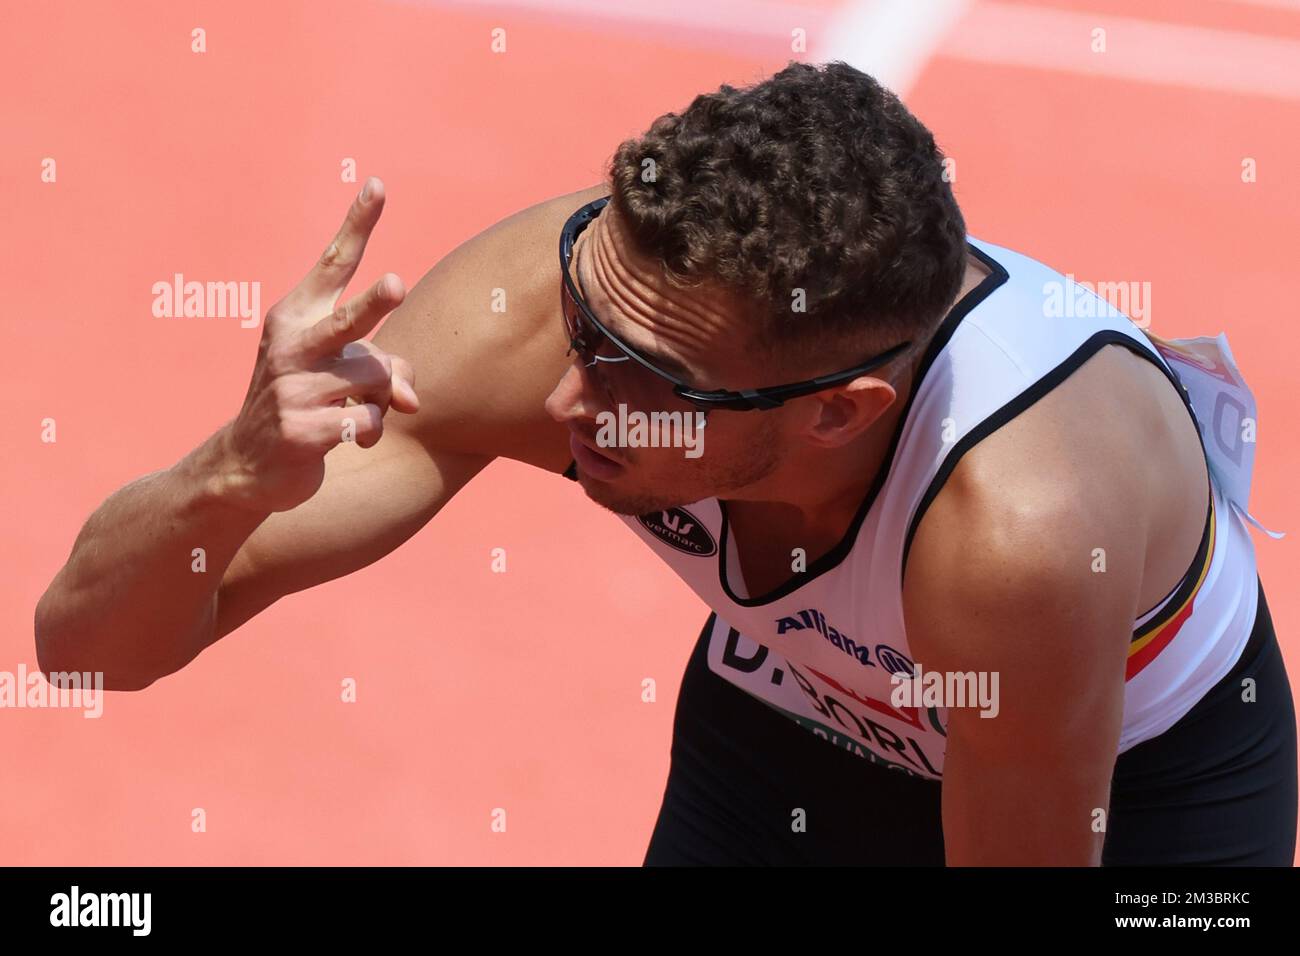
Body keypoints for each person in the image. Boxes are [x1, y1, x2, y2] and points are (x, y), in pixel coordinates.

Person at [35, 61, 1296, 866]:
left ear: (836, 414)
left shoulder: (1010, 526)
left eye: (650, 379)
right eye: (591, 319)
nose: (565, 393)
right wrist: (229, 477)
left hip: (1133, 783)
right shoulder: (543, 315)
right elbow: (88, 649)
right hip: (794, 712)